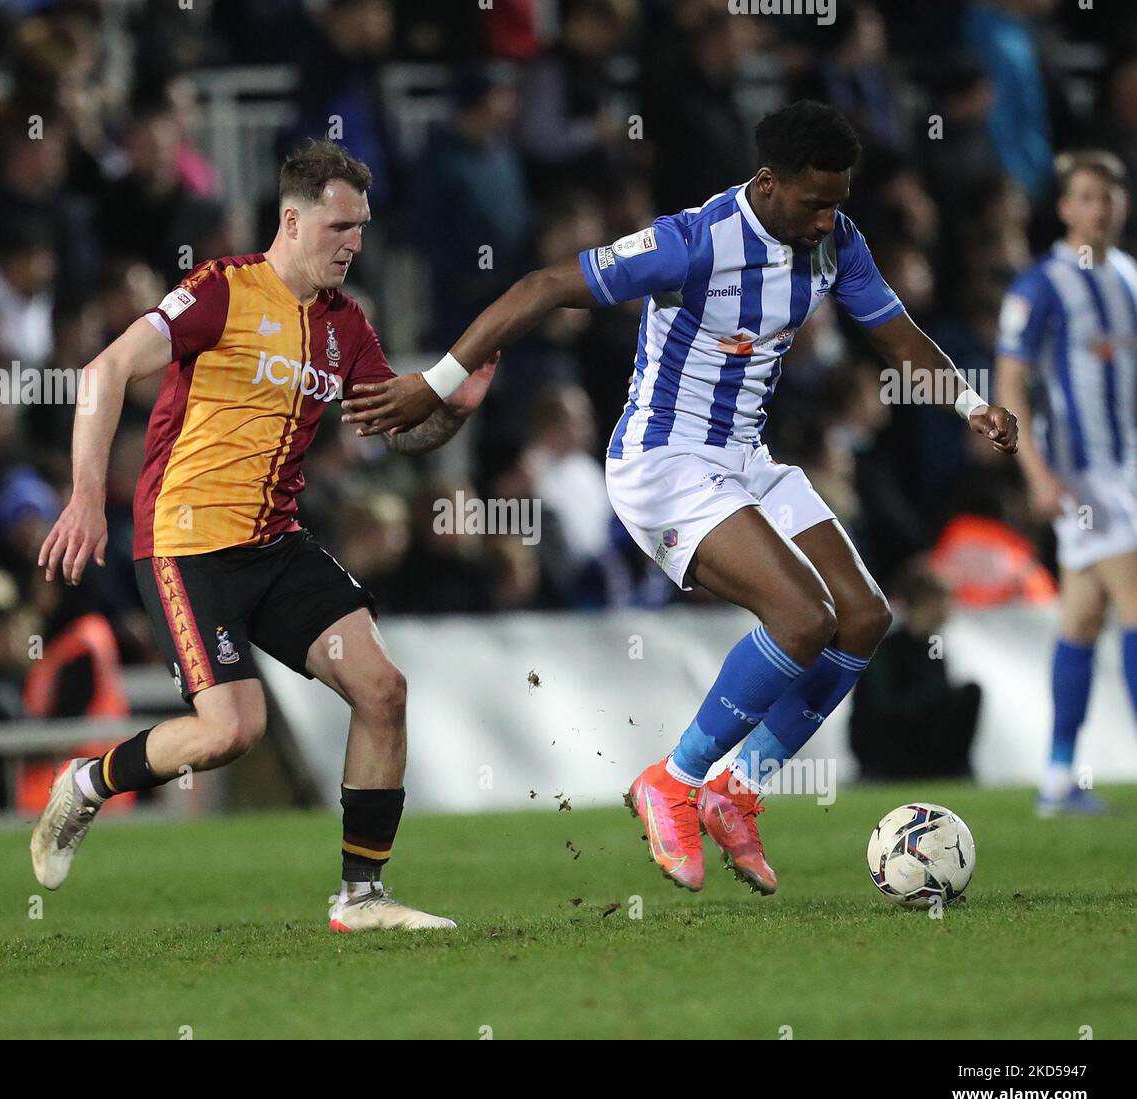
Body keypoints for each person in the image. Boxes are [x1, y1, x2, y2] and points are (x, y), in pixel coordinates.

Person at [342, 102, 1019, 896]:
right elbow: (542, 287)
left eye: (837, 201)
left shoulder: (837, 240)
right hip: (663, 462)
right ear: (767, 182)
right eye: (813, 202)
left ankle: (737, 792)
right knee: (802, 617)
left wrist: (972, 406)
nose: (827, 218)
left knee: (864, 616)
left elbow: (896, 332)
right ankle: (673, 779)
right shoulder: (690, 241)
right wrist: (439, 380)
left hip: (746, 460)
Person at [33, 140, 496, 931]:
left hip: (275, 543)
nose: (354, 243)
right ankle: (86, 784)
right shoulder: (221, 289)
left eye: (362, 228)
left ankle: (361, 897)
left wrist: (450, 413)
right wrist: (83, 498)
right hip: (187, 539)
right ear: (292, 219)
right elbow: (103, 371)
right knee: (230, 732)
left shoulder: (347, 327)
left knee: (382, 690)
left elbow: (400, 435)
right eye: (340, 226)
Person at [995, 149, 1137, 817]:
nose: (1100, 208)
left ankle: (1055, 778)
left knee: (1082, 616)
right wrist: (1036, 471)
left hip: (1128, 467)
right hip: (1087, 478)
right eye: (1086, 197)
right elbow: (1011, 383)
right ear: (1064, 208)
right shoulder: (1041, 286)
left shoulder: (1130, 278)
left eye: (1109, 197)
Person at [850, 562, 981, 780]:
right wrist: (934, 695)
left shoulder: (934, 645)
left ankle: (954, 769)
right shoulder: (886, 649)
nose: (946, 607)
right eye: (939, 600)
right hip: (886, 746)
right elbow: (882, 705)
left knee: (971, 692)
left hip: (921, 739)